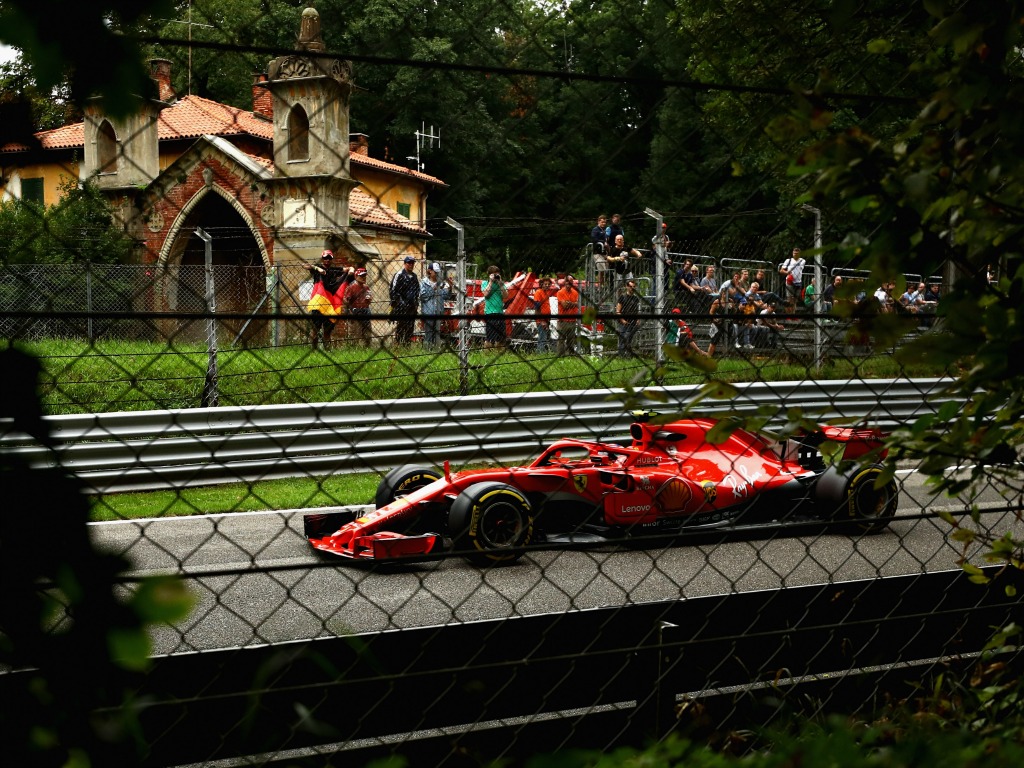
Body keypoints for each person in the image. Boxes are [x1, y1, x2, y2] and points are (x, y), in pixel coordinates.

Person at [306, 249, 346, 350]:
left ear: (331, 259)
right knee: (315, 329)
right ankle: (313, 350)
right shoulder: (318, 268)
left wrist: (351, 269)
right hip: (318, 303)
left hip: (329, 304)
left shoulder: (333, 270)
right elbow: (306, 265)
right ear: (322, 259)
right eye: (325, 258)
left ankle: (327, 350)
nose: (327, 260)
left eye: (329, 258)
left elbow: (346, 269)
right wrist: (317, 269)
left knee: (327, 331)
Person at [420, 261, 453, 349]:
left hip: (438, 312)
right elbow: (423, 296)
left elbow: (445, 296)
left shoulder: (441, 283)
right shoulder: (424, 282)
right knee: (429, 333)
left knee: (437, 333)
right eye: (435, 272)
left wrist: (450, 288)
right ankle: (427, 350)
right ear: (430, 271)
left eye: (438, 272)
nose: (437, 274)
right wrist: (434, 288)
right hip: (428, 312)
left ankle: (435, 349)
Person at [343, 266, 373, 347]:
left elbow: (369, 298)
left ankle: (366, 348)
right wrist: (349, 312)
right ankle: (353, 349)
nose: (364, 278)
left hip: (365, 311)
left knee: (367, 333)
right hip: (355, 311)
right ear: (356, 276)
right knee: (355, 333)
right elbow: (346, 300)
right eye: (361, 276)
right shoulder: (352, 287)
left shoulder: (366, 287)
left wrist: (369, 299)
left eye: (365, 276)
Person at [482, 265, 508, 350]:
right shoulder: (485, 283)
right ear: (489, 275)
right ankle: (487, 351)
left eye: (497, 274)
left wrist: (500, 284)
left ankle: (499, 351)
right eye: (494, 274)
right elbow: (486, 294)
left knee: (500, 337)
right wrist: (490, 282)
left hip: (500, 311)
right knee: (490, 336)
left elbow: (505, 296)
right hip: (490, 312)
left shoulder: (501, 284)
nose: (496, 276)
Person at [615, 279, 642, 358]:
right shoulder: (622, 297)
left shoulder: (635, 298)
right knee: (622, 339)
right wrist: (622, 320)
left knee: (629, 339)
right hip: (623, 322)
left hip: (632, 322)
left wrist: (637, 319)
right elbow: (618, 310)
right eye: (630, 286)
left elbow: (636, 310)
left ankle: (628, 355)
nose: (631, 288)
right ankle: (621, 356)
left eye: (633, 287)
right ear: (626, 287)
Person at [556, 275, 580, 355]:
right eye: (567, 281)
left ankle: (570, 354)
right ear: (564, 282)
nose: (569, 283)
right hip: (562, 321)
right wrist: (573, 304)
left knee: (571, 339)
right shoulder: (560, 292)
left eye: (570, 282)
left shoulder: (575, 292)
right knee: (561, 340)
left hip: (572, 320)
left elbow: (577, 304)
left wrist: (569, 303)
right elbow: (564, 305)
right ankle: (561, 355)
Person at [532, 276, 555, 352]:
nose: (547, 285)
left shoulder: (546, 293)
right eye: (545, 284)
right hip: (541, 320)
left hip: (547, 319)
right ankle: (540, 353)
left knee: (544, 338)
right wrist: (542, 320)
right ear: (541, 284)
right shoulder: (538, 292)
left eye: (549, 284)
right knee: (542, 338)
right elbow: (537, 307)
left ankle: (542, 352)